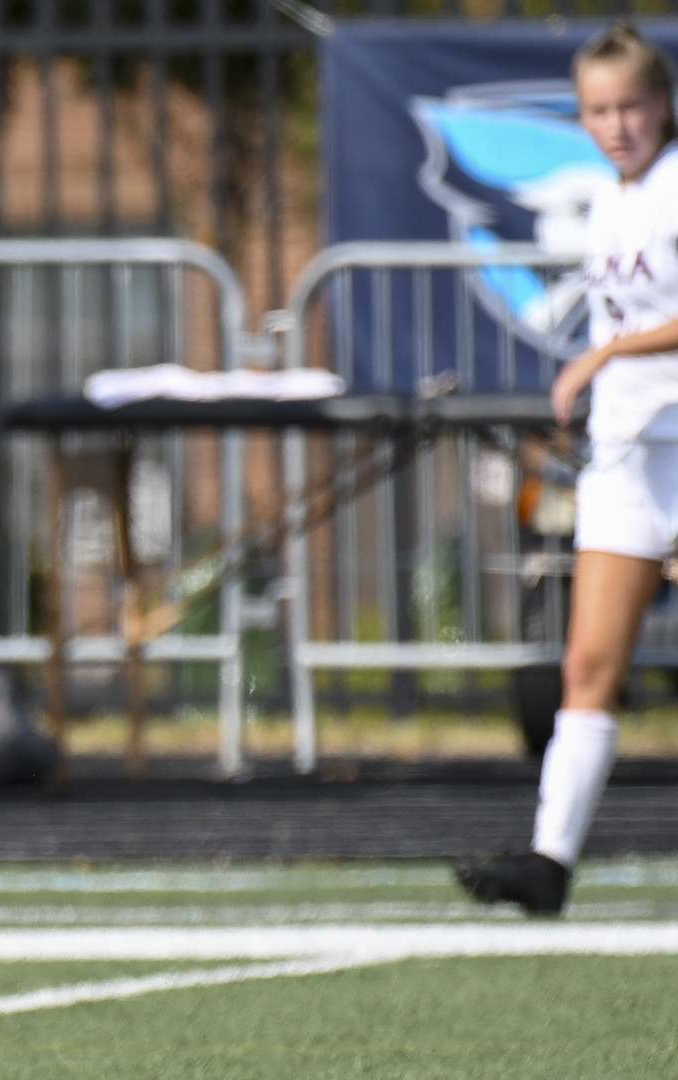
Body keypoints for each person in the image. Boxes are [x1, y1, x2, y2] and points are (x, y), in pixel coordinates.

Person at [458, 22, 678, 915]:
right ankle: (550, 863)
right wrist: (600, 384)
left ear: (663, 104)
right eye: (598, 110)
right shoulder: (614, 199)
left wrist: (601, 355)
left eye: (631, 106)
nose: (616, 124)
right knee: (589, 664)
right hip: (628, 460)